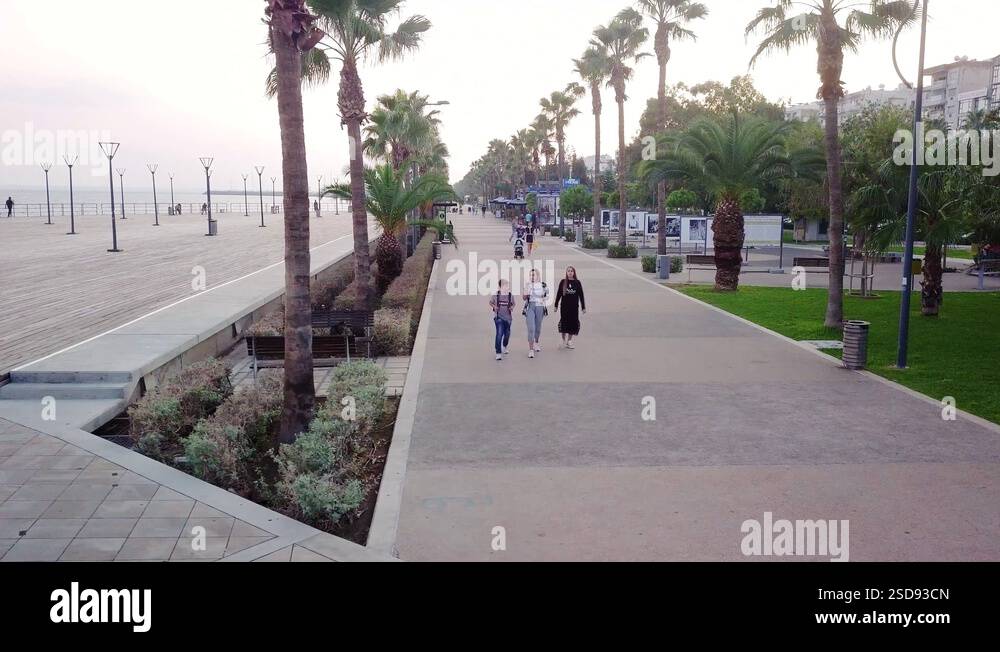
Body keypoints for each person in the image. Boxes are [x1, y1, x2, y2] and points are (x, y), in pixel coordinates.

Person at [555, 266, 586, 349]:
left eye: (571, 271)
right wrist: (556, 305)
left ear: (574, 273)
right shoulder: (563, 282)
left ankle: (569, 341)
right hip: (564, 307)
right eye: (568, 271)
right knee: (564, 322)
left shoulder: (577, 283)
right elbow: (559, 294)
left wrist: (583, 307)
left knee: (573, 323)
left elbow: (581, 295)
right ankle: (563, 340)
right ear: (566, 273)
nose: (570, 272)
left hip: (574, 308)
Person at [522, 269, 549, 359]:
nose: (532, 277)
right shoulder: (527, 285)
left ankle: (536, 342)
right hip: (530, 307)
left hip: (540, 307)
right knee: (531, 328)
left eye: (534, 275)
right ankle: (530, 349)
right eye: (531, 275)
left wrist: (543, 297)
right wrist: (527, 292)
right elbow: (524, 298)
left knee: (538, 328)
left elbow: (547, 296)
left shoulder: (543, 285)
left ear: (538, 275)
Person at [490, 280, 515, 361]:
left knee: (507, 334)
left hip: (508, 318)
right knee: (499, 333)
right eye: (504, 286)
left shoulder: (510, 295)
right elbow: (490, 302)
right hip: (498, 318)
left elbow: (513, 303)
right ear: (500, 287)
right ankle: (498, 352)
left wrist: (512, 307)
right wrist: (494, 306)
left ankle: (504, 345)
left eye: (507, 286)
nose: (506, 288)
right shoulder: (496, 296)